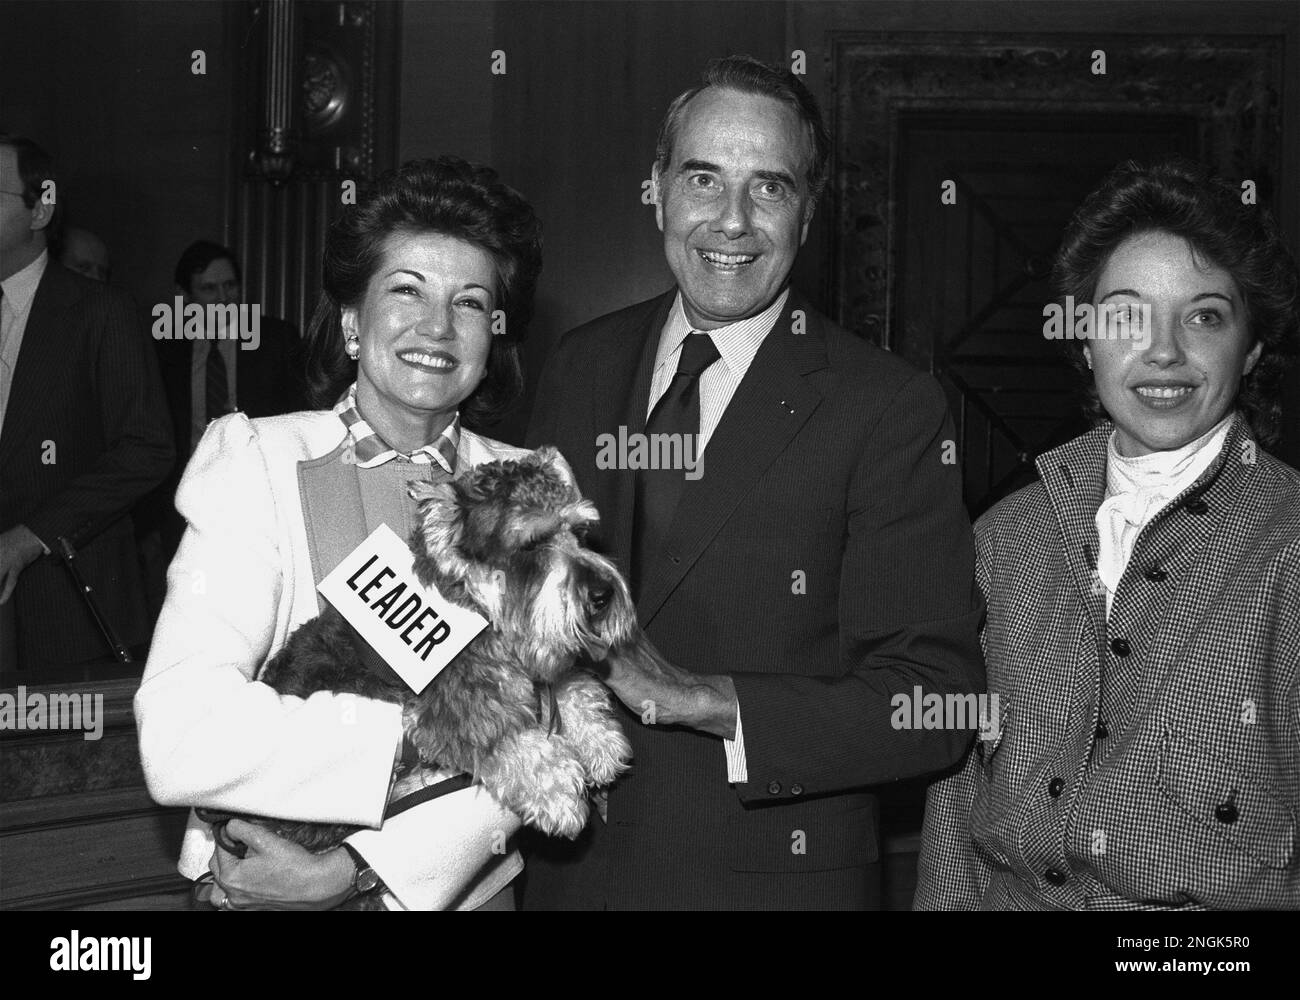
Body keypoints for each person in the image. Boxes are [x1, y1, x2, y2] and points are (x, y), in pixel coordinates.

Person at [522, 56, 984, 910]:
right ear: (656, 188)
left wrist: (704, 700)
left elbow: (938, 703)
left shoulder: (888, 408)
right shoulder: (582, 364)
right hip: (566, 879)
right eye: (702, 178)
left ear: (810, 212)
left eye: (769, 188)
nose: (730, 221)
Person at [134, 156, 545, 910]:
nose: (437, 327)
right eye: (406, 291)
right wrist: (420, 735)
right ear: (354, 321)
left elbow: (541, 743)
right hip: (262, 887)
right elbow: (181, 730)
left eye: (470, 303)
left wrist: (361, 869)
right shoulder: (255, 461)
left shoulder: (531, 494)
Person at [915, 158, 1300, 910]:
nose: (1163, 351)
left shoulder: (1289, 548)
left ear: (1252, 347)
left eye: (1204, 316)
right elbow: (957, 797)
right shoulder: (1004, 541)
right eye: (1126, 315)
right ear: (1083, 341)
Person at [0, 133, 173, 676]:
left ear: (39, 209)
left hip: (65, 614)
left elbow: (146, 449)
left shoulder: (101, 312)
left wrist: (32, 537)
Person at [148, 241, 306, 559]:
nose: (224, 299)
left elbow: (300, 420)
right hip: (187, 502)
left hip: (261, 502)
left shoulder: (276, 339)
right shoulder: (164, 350)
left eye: (230, 285)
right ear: (184, 296)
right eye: (209, 289)